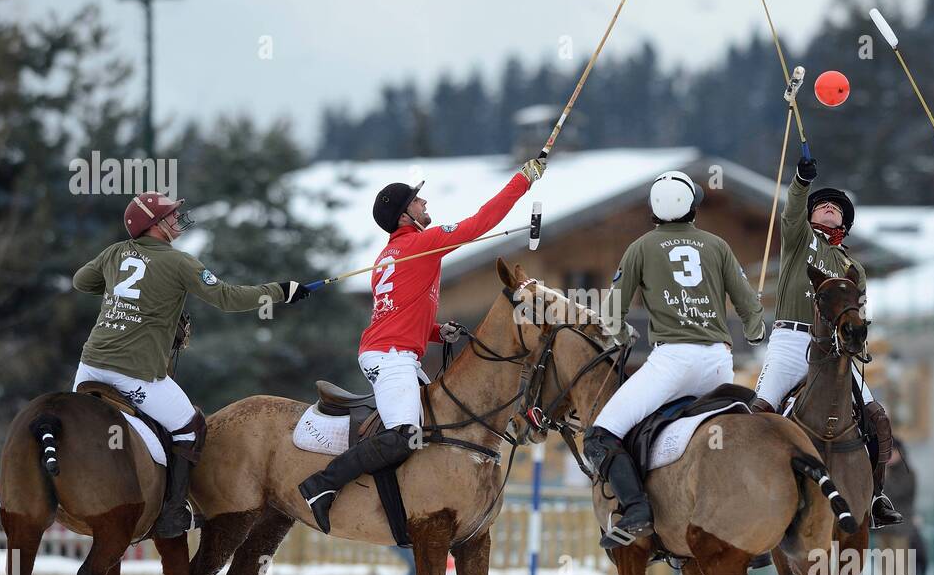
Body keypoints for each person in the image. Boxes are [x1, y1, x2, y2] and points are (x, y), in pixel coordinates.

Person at [298, 156, 547, 532]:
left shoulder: (388, 255)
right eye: (417, 201)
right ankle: (321, 485)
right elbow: (479, 223)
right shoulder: (421, 244)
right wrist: (523, 180)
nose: (425, 203)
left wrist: (434, 332)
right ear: (404, 216)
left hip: (392, 351)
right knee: (403, 437)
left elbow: (395, 316)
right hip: (391, 358)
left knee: (436, 426)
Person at [72, 191, 308, 537]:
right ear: (152, 226)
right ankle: (173, 512)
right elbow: (227, 297)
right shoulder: (179, 262)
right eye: (168, 216)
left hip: (90, 366)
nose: (175, 221)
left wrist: (120, 293)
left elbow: (81, 281)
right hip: (135, 372)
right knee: (192, 427)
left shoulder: (114, 252)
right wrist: (280, 291)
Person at [590, 170, 766, 547]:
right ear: (691, 207)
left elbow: (611, 317)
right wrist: (754, 332)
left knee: (601, 436)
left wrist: (622, 338)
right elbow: (749, 306)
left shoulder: (640, 247)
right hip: (719, 364)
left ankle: (637, 509)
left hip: (671, 363)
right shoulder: (717, 245)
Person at [751, 153, 903, 528]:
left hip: (834, 353)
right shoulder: (799, 239)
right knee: (757, 416)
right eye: (822, 207)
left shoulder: (854, 267)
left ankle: (877, 494)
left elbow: (860, 312)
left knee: (877, 418)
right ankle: (749, 497)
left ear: (845, 224)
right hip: (791, 343)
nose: (828, 210)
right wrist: (801, 182)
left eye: (835, 209)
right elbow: (792, 211)